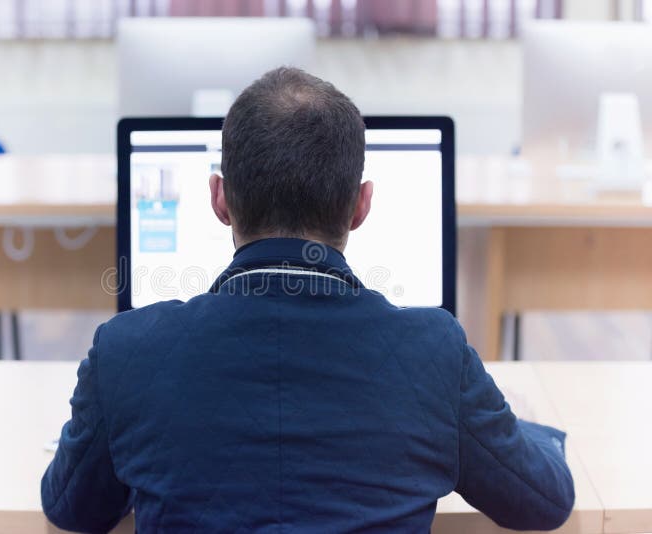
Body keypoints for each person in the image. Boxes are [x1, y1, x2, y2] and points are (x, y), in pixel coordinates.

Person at [41, 67, 574, 533]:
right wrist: (509, 427)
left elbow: (72, 509)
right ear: (361, 206)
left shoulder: (126, 352)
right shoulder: (434, 352)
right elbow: (545, 500)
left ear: (219, 198)